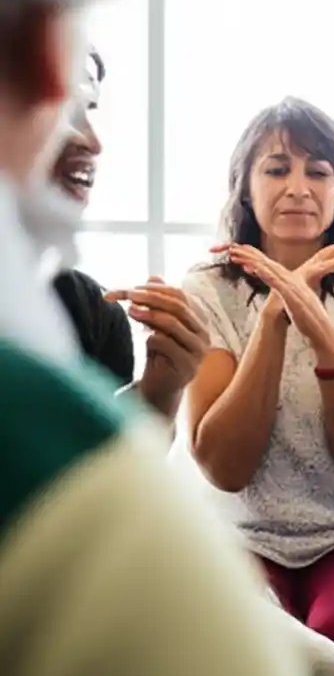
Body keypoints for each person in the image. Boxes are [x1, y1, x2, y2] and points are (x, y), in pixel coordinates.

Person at [0, 0, 303, 676]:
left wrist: (164, 393)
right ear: (40, 56)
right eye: (75, 98)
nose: (94, 143)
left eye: (319, 172)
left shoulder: (83, 309)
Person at [183, 97, 334, 676]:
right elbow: (224, 466)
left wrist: (328, 348)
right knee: (241, 637)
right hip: (236, 542)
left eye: (319, 171)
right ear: (244, 187)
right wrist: (273, 318)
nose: (298, 187)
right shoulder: (205, 291)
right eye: (276, 169)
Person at [49, 45, 210, 422]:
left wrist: (161, 394)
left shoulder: (94, 314)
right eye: (63, 109)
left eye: (88, 111)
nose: (94, 142)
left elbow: (91, 475)